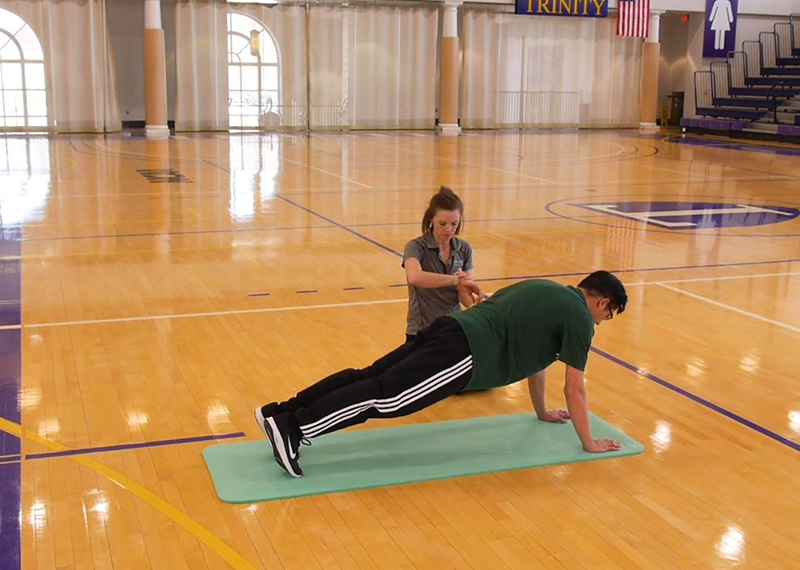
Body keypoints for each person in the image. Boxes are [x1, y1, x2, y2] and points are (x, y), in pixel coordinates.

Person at [254, 271, 628, 478]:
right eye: (607, 315)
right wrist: (589, 442)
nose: (601, 320)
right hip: (466, 354)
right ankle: (294, 430)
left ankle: (281, 413)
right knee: (386, 397)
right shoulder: (581, 317)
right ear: (603, 303)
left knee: (370, 376)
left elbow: (538, 362)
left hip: (450, 329)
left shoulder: (547, 290)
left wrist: (541, 412)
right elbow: (575, 388)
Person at [402, 186, 485, 344]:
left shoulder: (464, 248)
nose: (448, 229)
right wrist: (454, 280)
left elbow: (463, 293)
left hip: (454, 327)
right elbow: (414, 277)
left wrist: (475, 302)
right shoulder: (415, 247)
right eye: (442, 223)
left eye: (454, 224)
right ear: (431, 219)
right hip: (422, 331)